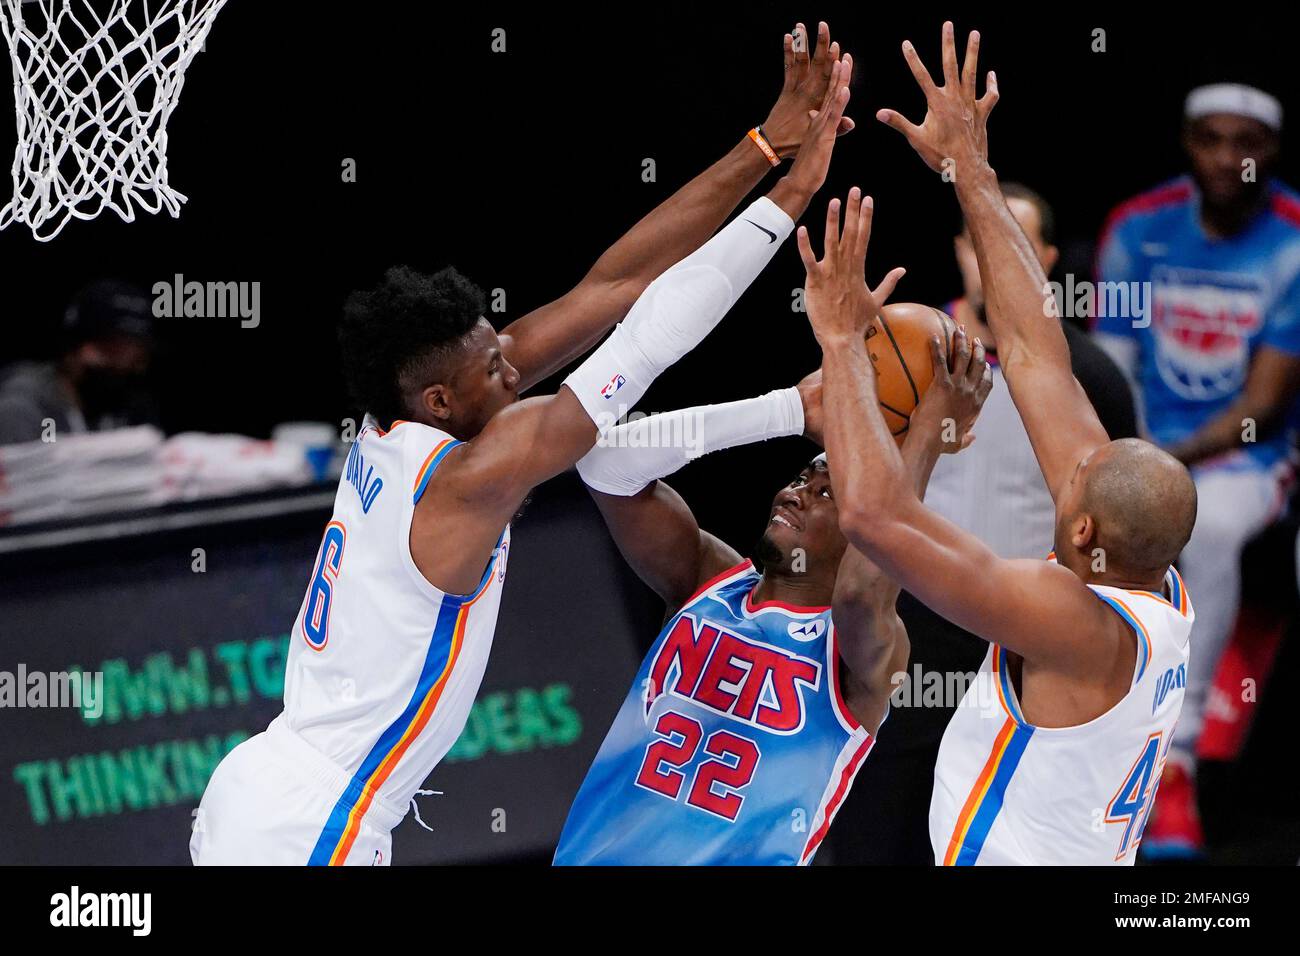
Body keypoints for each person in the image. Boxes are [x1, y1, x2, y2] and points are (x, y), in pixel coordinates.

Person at [190, 28, 855, 865]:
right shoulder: (467, 477)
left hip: (263, 790)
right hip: (310, 821)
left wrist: (763, 148)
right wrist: (788, 206)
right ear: (441, 398)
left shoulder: (410, 421)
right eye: (494, 366)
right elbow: (645, 341)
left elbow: (613, 285)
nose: (514, 364)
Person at [801, 23, 1197, 865]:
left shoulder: (1080, 620)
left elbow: (871, 516)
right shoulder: (1146, 581)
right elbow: (1033, 355)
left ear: (1082, 529)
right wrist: (969, 171)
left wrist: (840, 343)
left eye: (1077, 477)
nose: (1071, 457)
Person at [552, 311, 990, 865]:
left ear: (860, 528)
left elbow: (859, 591)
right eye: (804, 477)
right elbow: (607, 464)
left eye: (827, 493)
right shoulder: (708, 580)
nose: (798, 492)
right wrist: (786, 411)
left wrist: (924, 436)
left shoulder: (861, 650)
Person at [830, 185, 1139, 864]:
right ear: (963, 249)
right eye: (982, 242)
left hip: (1029, 628)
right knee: (877, 812)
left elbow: (1128, 514)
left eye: (1019, 246)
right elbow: (845, 476)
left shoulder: (1089, 378)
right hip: (912, 616)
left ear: (1046, 259)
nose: (995, 261)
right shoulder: (903, 348)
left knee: (1004, 825)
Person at [1093, 80, 1300, 858]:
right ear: (1187, 143)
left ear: (1271, 152)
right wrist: (1123, 458)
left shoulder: (1292, 238)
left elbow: (1266, 402)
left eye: (1245, 143)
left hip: (1249, 457)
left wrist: (1157, 471)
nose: (1227, 158)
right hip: (1141, 440)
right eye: (1211, 139)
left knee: (1202, 529)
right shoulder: (1136, 227)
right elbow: (1109, 370)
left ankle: (1172, 769)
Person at [0, 280, 156, 445]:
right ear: (71, 348)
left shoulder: (126, 410)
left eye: (135, 357)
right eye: (111, 350)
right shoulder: (24, 406)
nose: (122, 365)